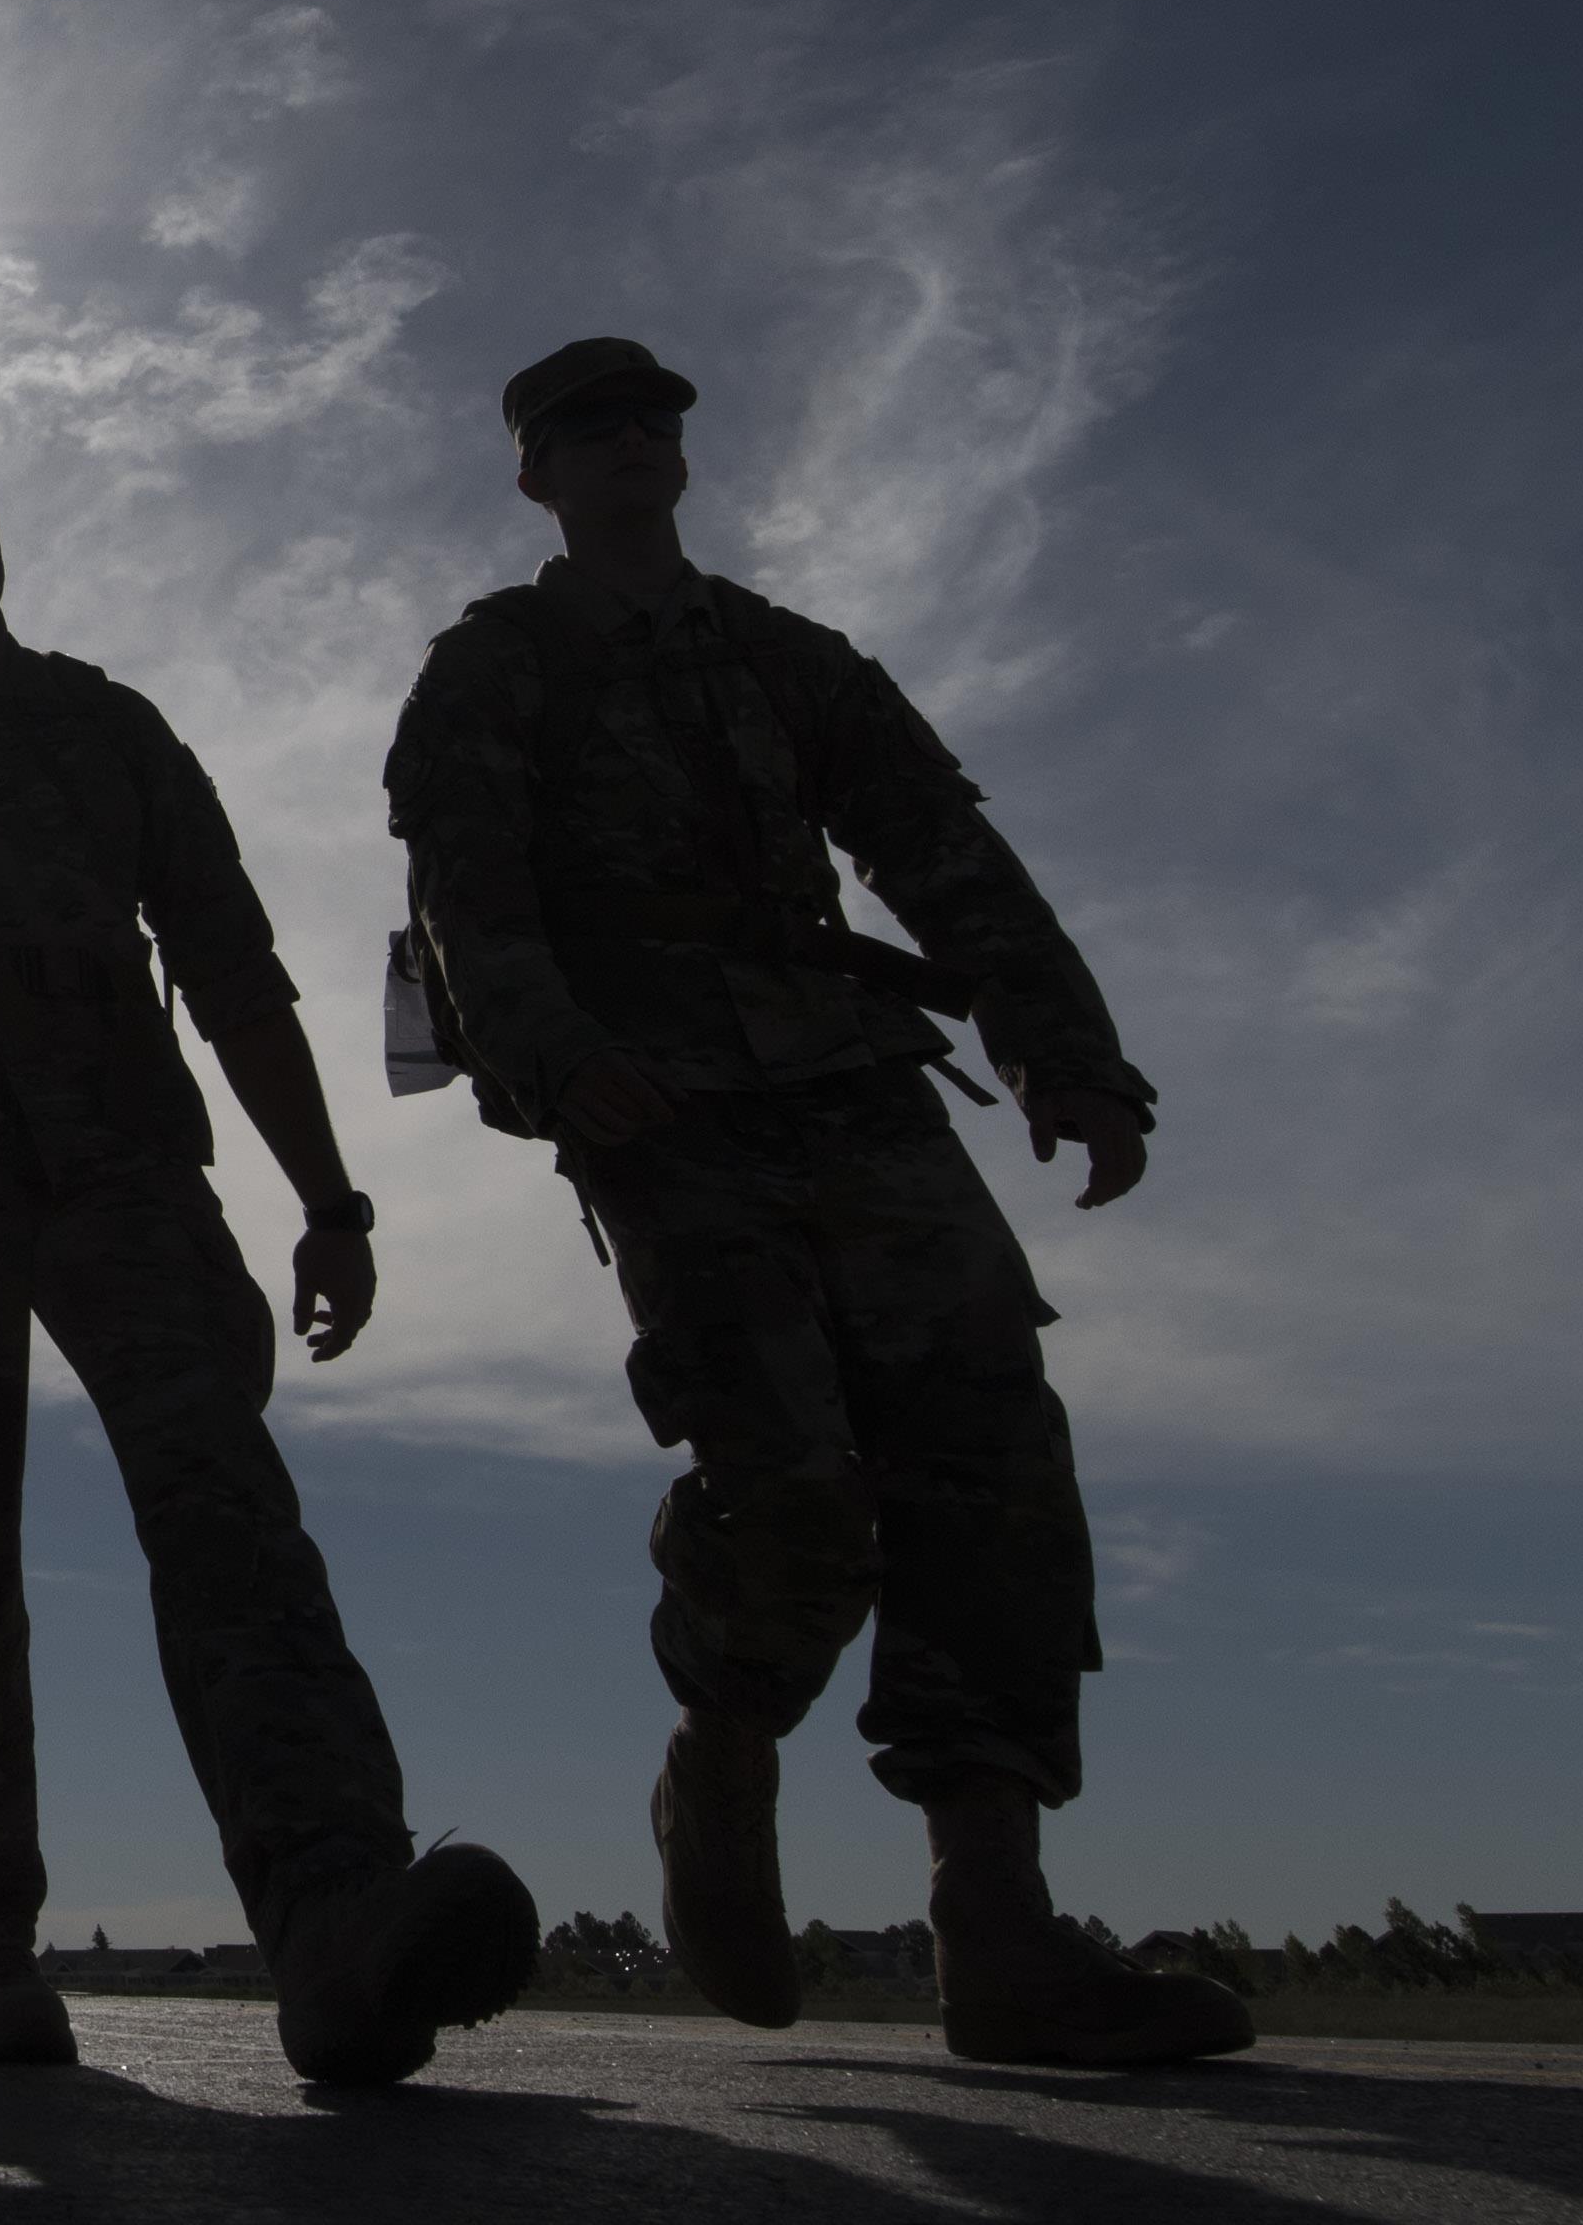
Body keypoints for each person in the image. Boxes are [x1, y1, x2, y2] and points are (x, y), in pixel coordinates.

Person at [382, 335, 1248, 2073]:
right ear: (535, 475)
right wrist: (555, 1061)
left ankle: (993, 1926)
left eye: (651, 426)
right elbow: (464, 890)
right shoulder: (501, 666)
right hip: (664, 1107)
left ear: (682, 458)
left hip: (850, 1088)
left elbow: (939, 846)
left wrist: (1069, 1055)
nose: (627, 450)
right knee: (791, 1490)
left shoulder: (789, 664)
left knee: (989, 1458)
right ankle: (722, 1747)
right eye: (586, 434)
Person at [0, 431, 537, 2091]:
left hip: (123, 1171)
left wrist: (332, 1197)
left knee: (224, 1500)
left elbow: (235, 968)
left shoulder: (107, 729)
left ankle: (332, 1920)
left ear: (6, 551)